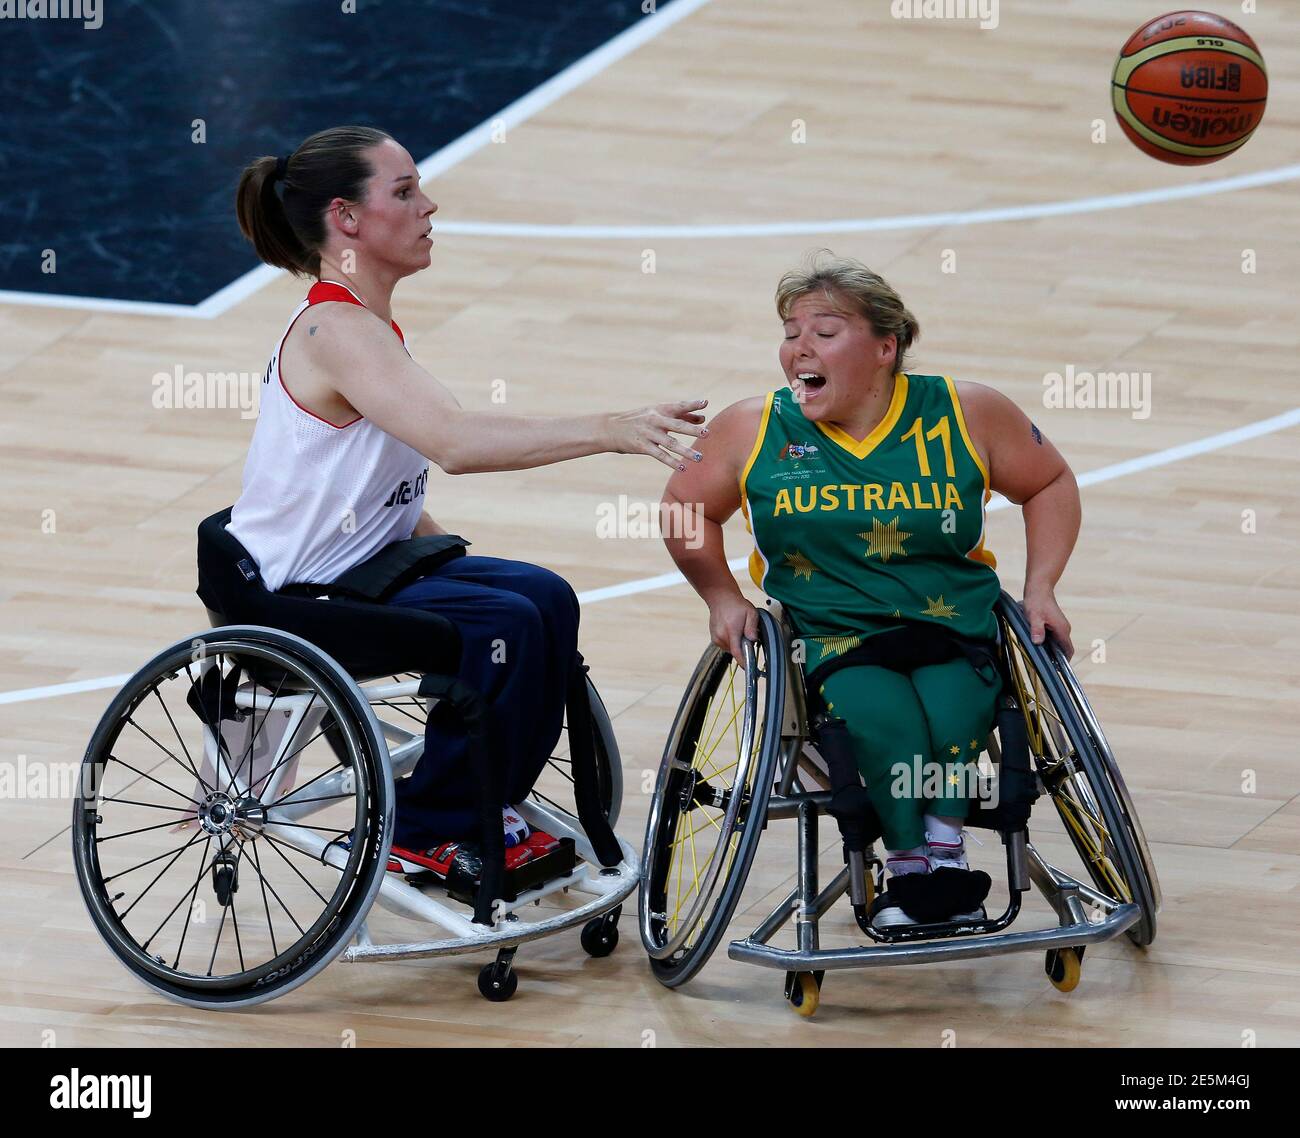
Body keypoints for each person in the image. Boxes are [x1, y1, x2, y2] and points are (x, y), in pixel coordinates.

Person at [230, 124, 708, 877]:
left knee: (543, 597)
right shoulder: (334, 328)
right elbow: (452, 441)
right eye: (405, 191)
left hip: (362, 568)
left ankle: (490, 798)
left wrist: (450, 555)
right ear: (347, 220)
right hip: (297, 597)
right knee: (507, 620)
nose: (430, 204)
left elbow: (375, 479)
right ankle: (428, 824)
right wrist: (611, 429)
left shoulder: (363, 322)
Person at [661, 251, 1080, 928]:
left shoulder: (965, 412)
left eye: (823, 333)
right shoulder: (753, 426)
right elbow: (684, 507)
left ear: (886, 347)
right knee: (887, 722)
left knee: (953, 713)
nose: (800, 348)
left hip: (951, 623)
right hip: (833, 634)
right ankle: (910, 863)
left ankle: (941, 850)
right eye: (791, 333)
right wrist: (721, 597)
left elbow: (1049, 482)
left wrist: (1042, 587)